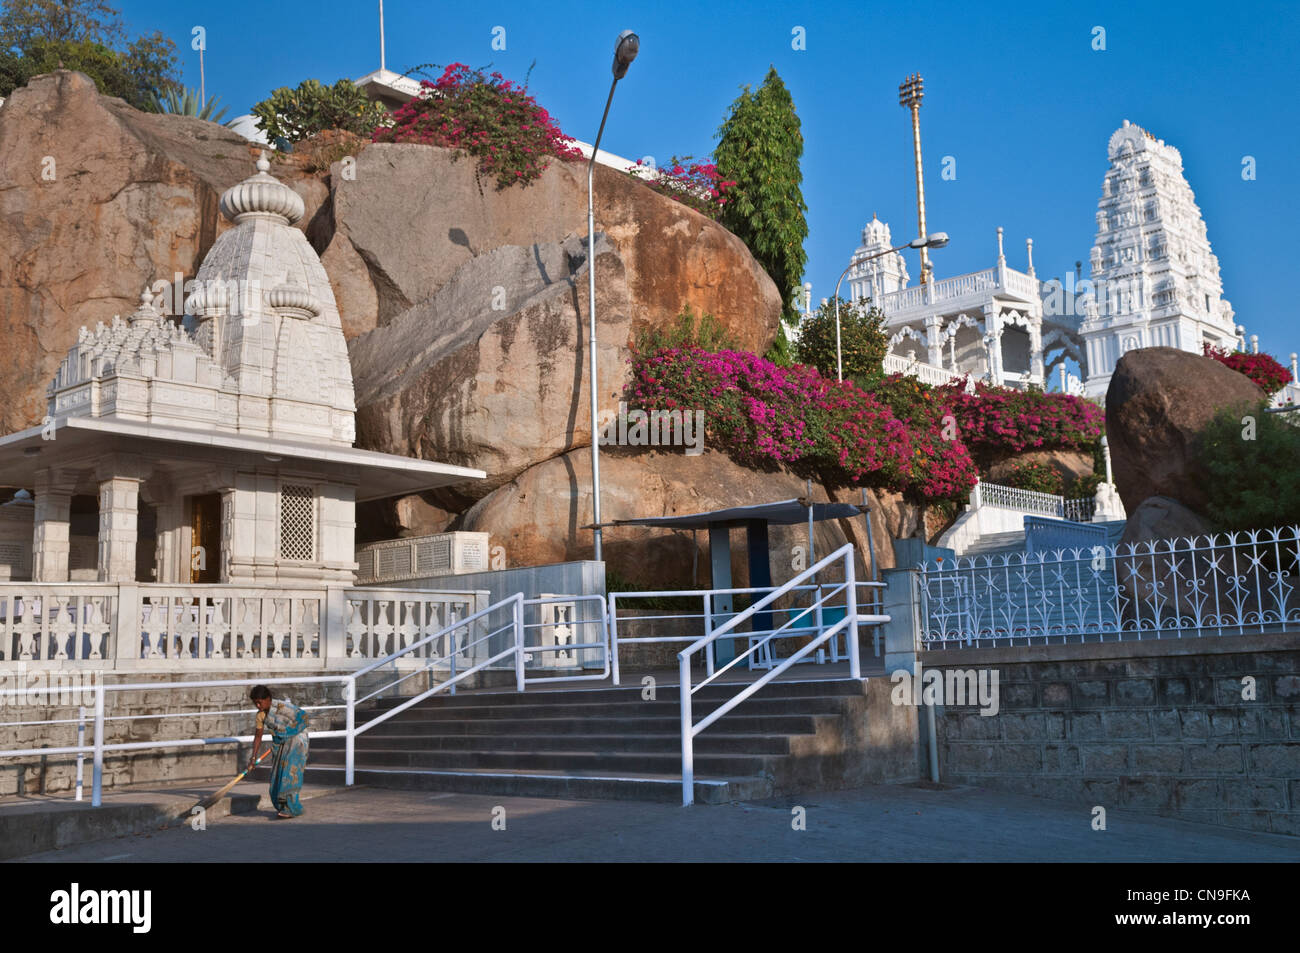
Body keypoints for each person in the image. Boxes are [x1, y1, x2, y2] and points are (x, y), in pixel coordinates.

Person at [249, 686, 310, 818]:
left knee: (289, 774)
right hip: (281, 744)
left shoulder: (283, 708)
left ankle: (291, 809)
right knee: (277, 776)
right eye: (255, 703)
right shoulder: (260, 716)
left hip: (296, 741)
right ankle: (283, 807)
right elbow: (258, 736)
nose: (258, 705)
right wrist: (253, 758)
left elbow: (303, 717)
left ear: (268, 699)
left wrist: (287, 733)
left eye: (260, 702)